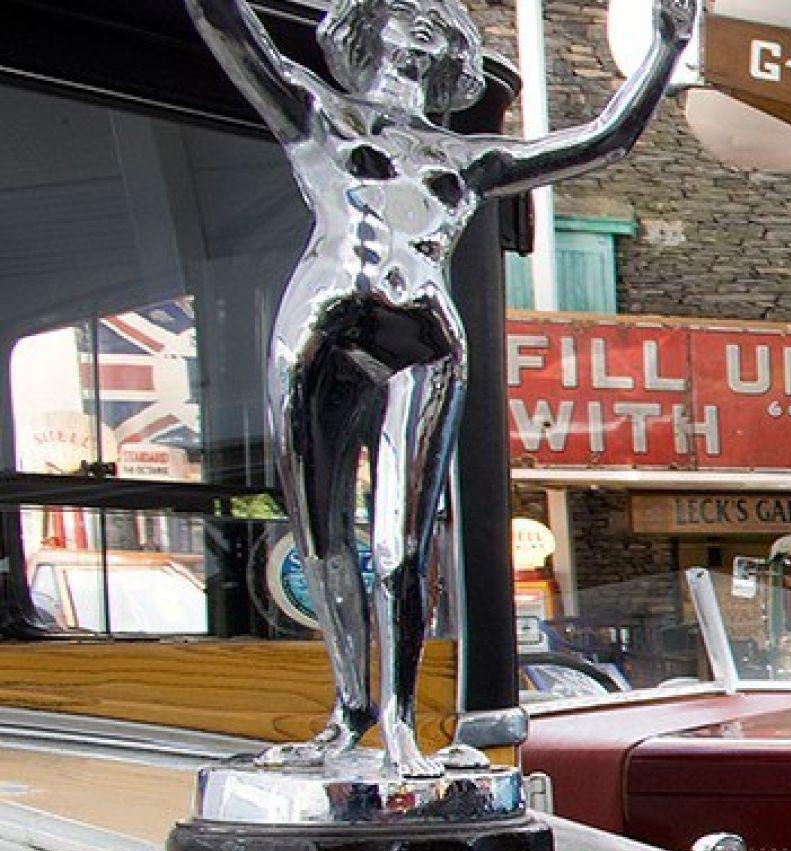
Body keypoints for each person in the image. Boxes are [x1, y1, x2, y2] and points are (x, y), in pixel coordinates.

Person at [190, 0, 697, 776]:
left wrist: (666, 47)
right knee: (324, 531)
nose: (421, 26)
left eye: (436, 22)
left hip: (426, 332)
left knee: (404, 543)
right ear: (367, 30)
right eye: (404, 15)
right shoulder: (320, 117)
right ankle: (348, 713)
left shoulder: (468, 158)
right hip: (326, 319)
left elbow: (604, 141)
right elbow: (230, 28)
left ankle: (399, 728)